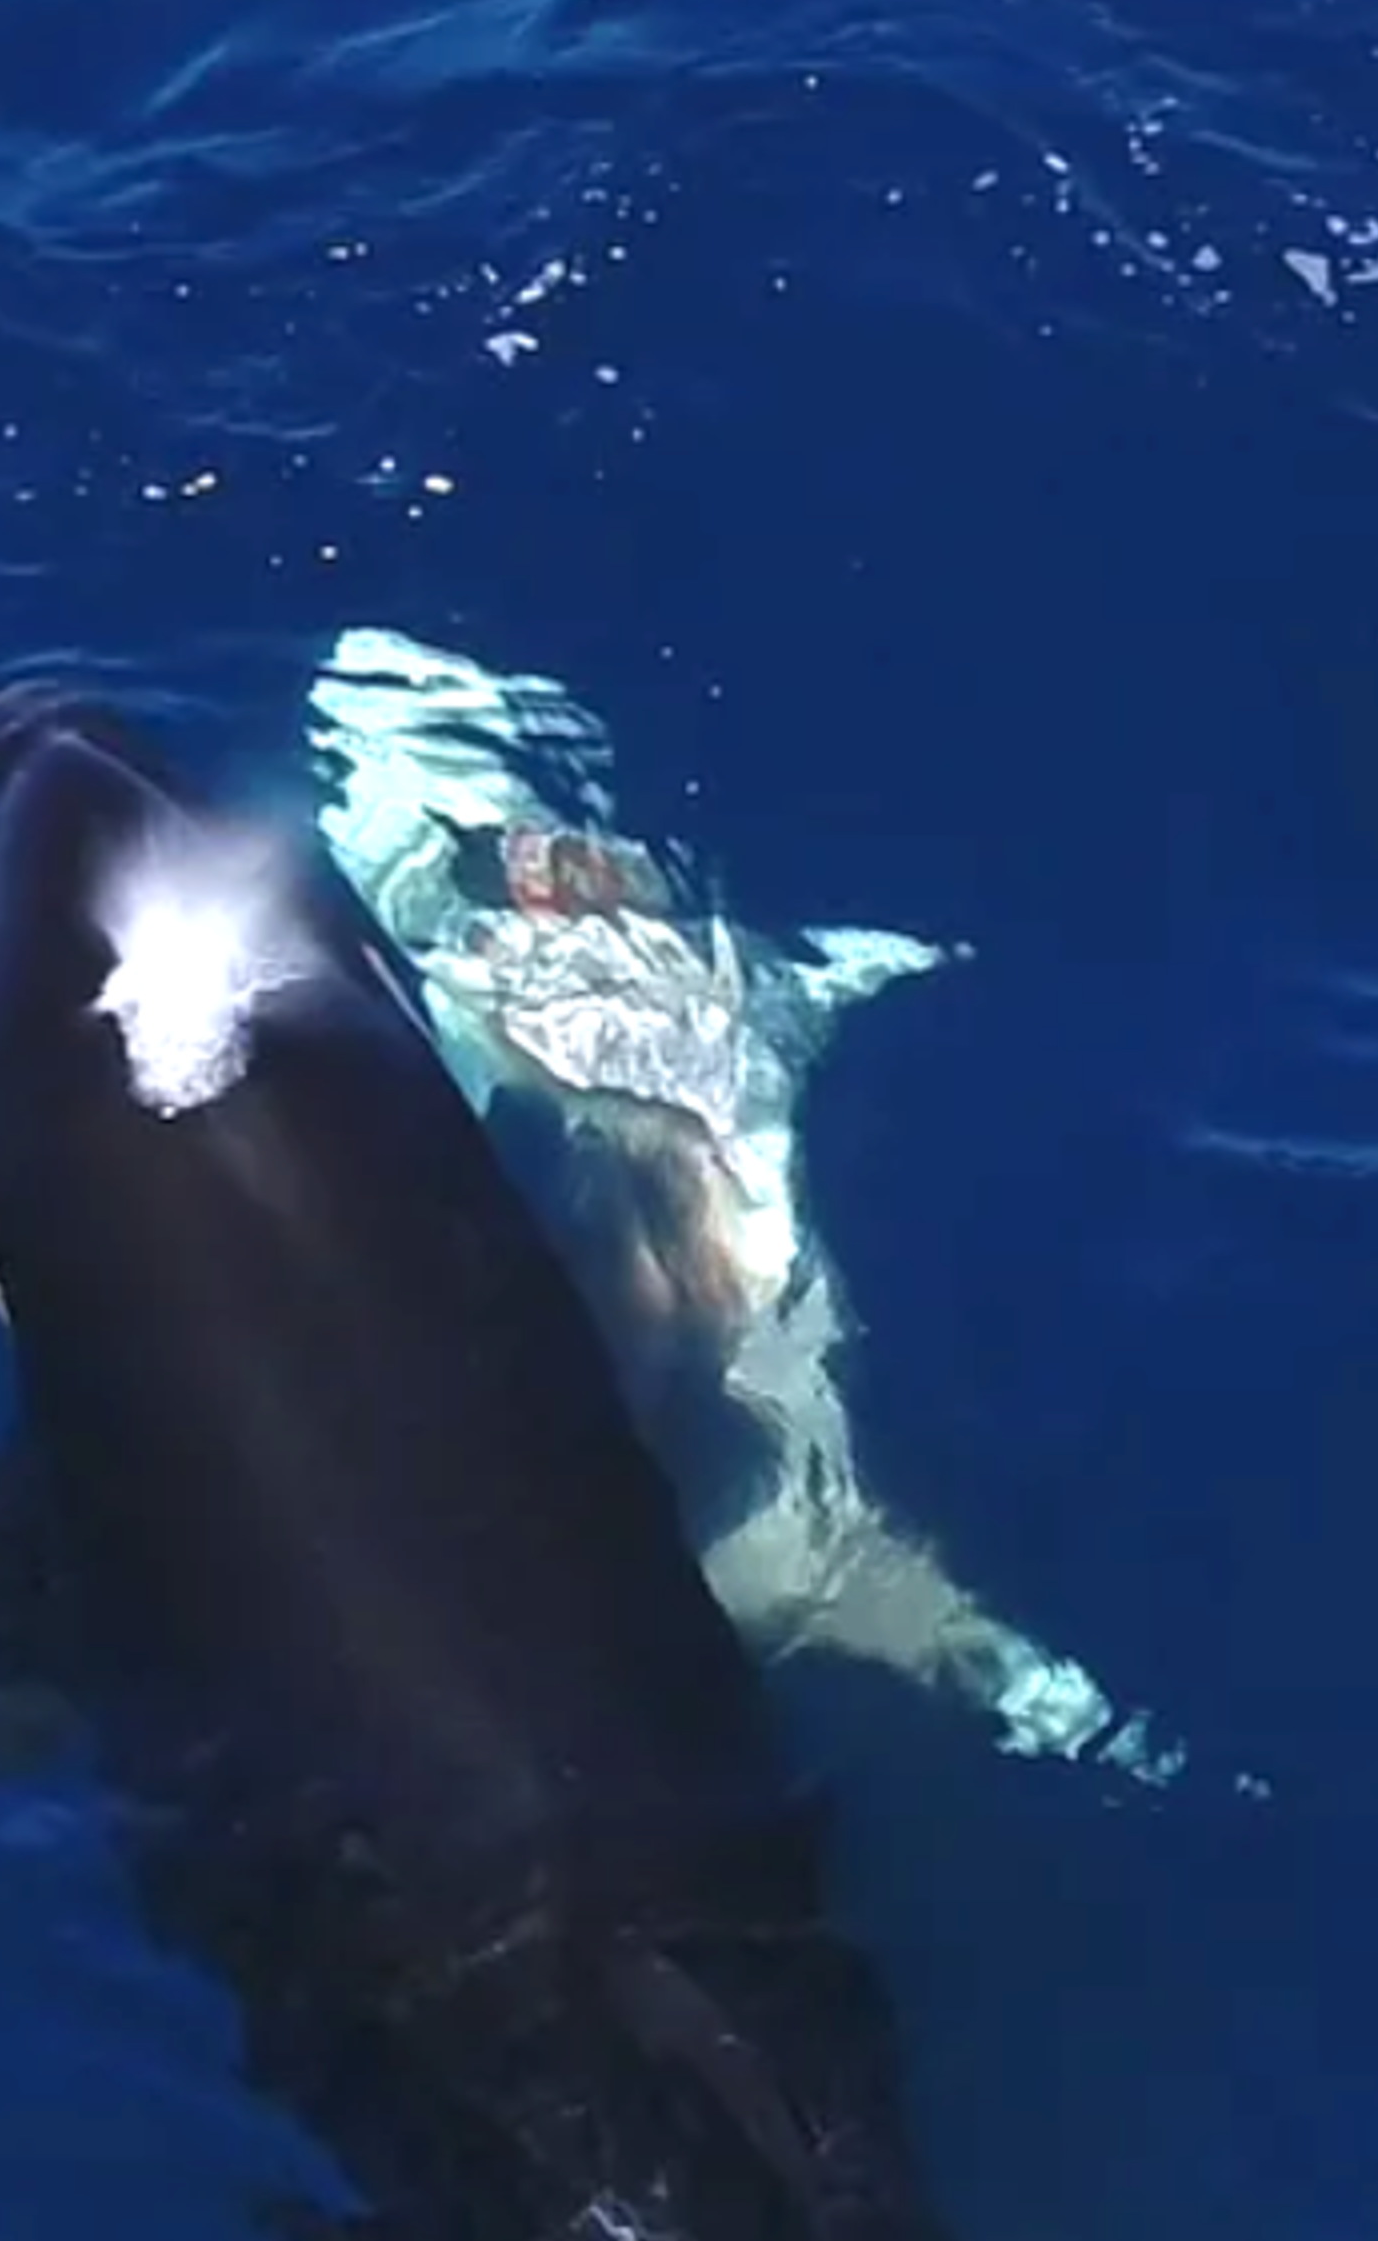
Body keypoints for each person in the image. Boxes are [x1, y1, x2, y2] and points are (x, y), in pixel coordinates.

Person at [308, 625, 1170, 1782]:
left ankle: (1051, 1709)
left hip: (711, 1291)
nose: (546, 870)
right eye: (499, 860)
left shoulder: (598, 991)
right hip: (713, 1270)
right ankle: (1070, 1723)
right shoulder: (568, 997)